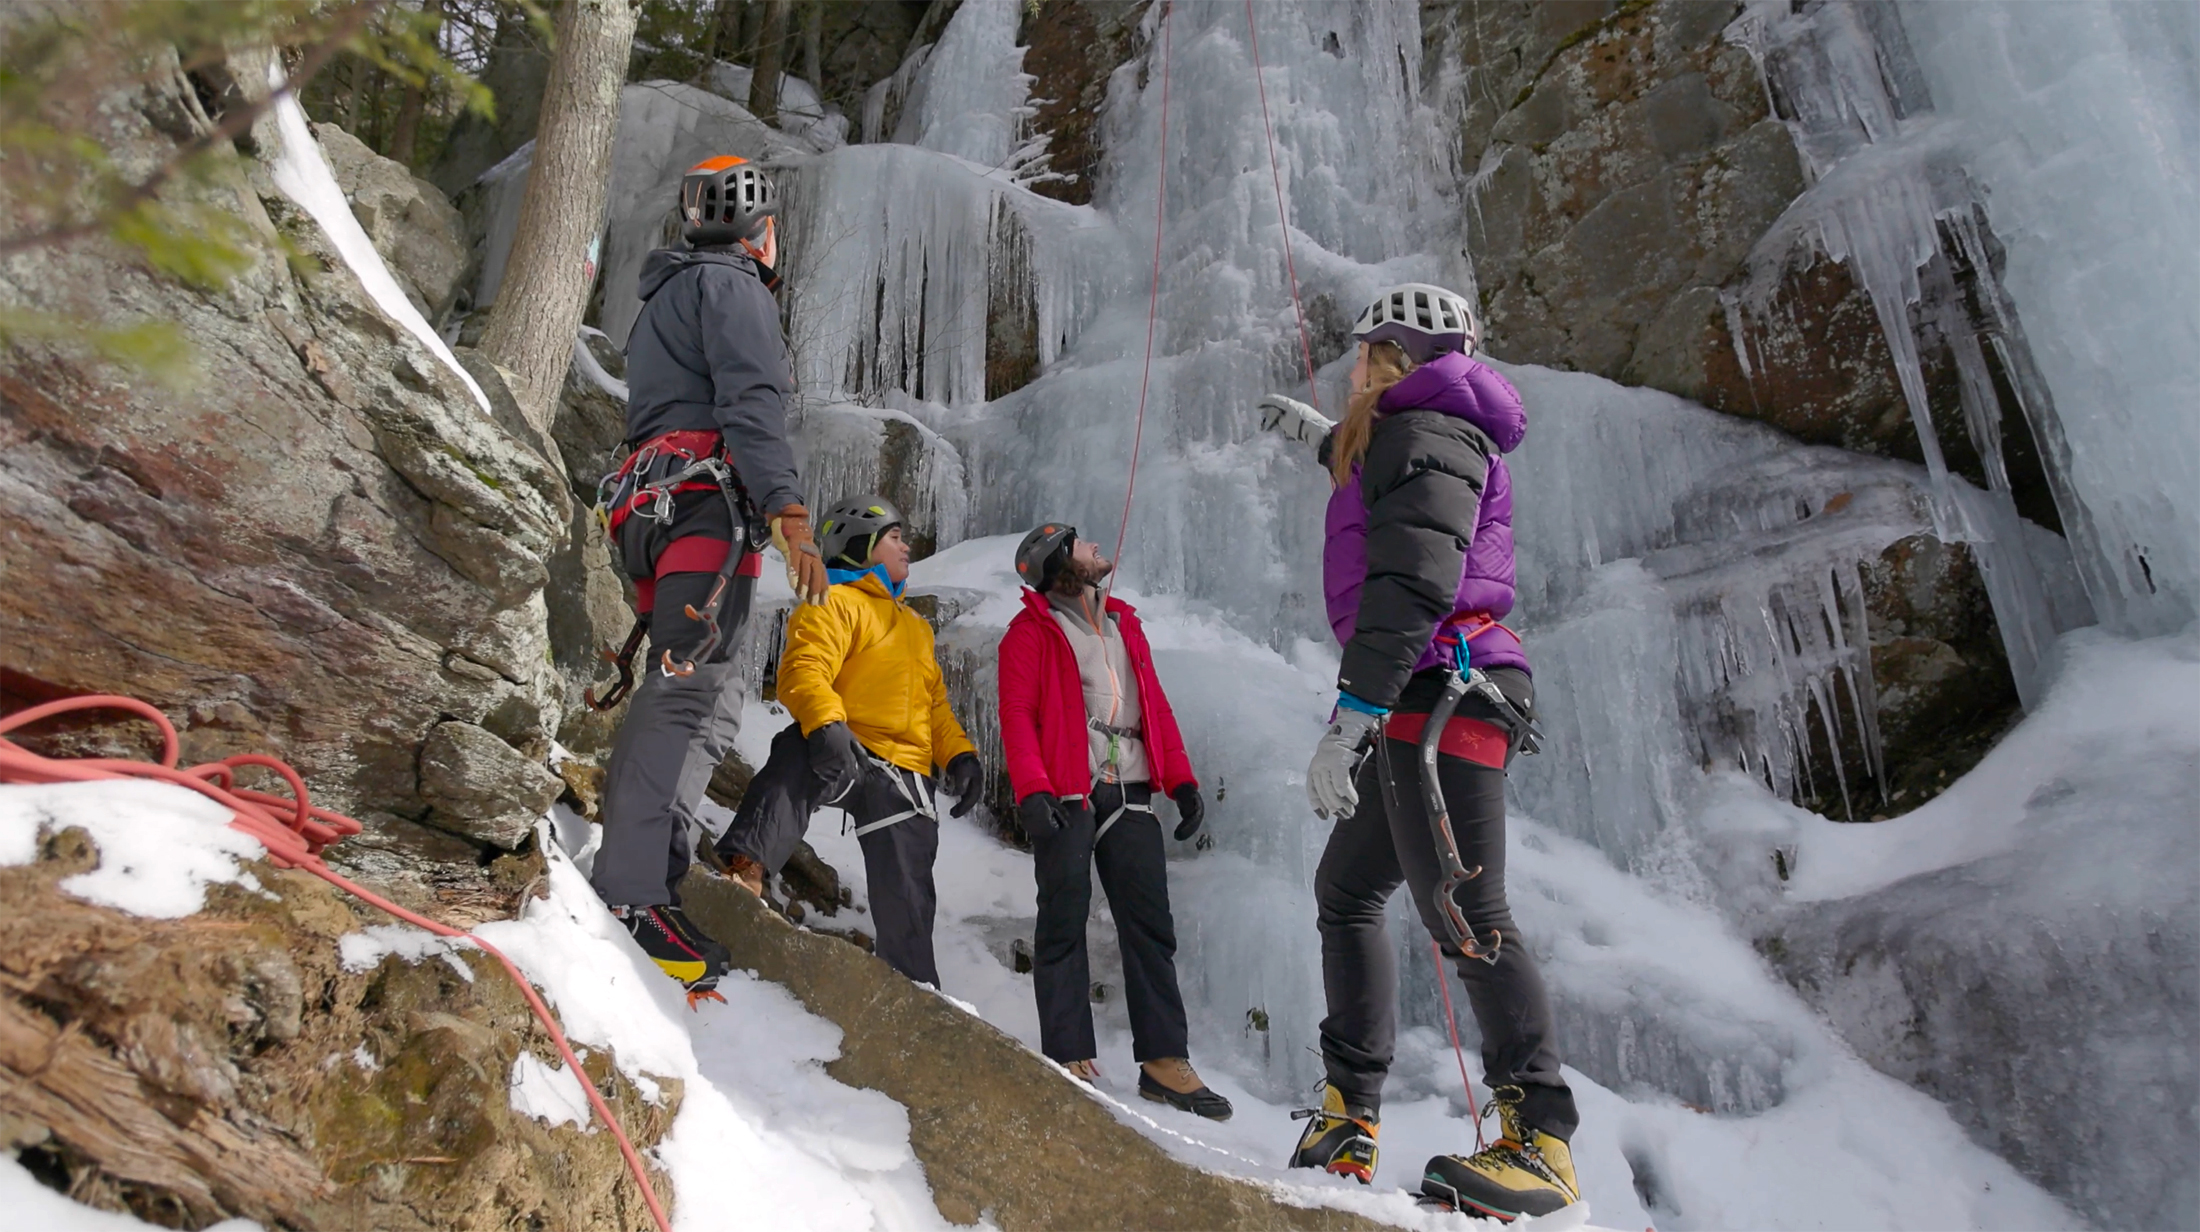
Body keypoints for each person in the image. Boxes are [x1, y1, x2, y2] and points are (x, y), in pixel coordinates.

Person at [1259, 284, 1580, 1220]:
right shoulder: (1419, 429)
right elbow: (1402, 499)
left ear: (1393, 354)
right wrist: (1330, 441)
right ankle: (1348, 1112)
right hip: (1425, 692)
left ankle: (1541, 1145)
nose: (1352, 366)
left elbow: (1415, 578)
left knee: (1466, 906)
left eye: (1363, 351)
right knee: (1348, 890)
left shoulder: (1427, 430)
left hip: (1445, 690)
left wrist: (1352, 715)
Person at [589, 155, 833, 1006]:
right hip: (702, 511)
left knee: (705, 695)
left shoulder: (665, 294)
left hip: (655, 509)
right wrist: (789, 513)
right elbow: (751, 402)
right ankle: (629, 891)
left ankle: (653, 877)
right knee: (684, 694)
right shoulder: (734, 287)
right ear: (761, 230)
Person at [996, 524, 1231, 1120]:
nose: (1096, 546)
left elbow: (1153, 705)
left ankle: (1163, 1062)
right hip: (1067, 791)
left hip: (1129, 786)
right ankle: (1067, 1052)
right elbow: (1017, 713)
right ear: (1057, 561)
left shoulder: (1125, 622)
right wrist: (1032, 790)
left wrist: (1182, 781)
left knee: (1149, 924)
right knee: (1063, 917)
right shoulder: (1030, 631)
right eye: (1080, 543)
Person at [713, 495, 983, 987]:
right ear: (860, 544)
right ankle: (745, 867)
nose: (906, 547)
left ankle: (915, 991)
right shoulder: (834, 601)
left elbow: (935, 707)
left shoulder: (917, 628)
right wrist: (826, 725)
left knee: (909, 896)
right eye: (895, 537)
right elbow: (805, 668)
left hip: (904, 775)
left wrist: (961, 755)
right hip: (846, 749)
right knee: (795, 755)